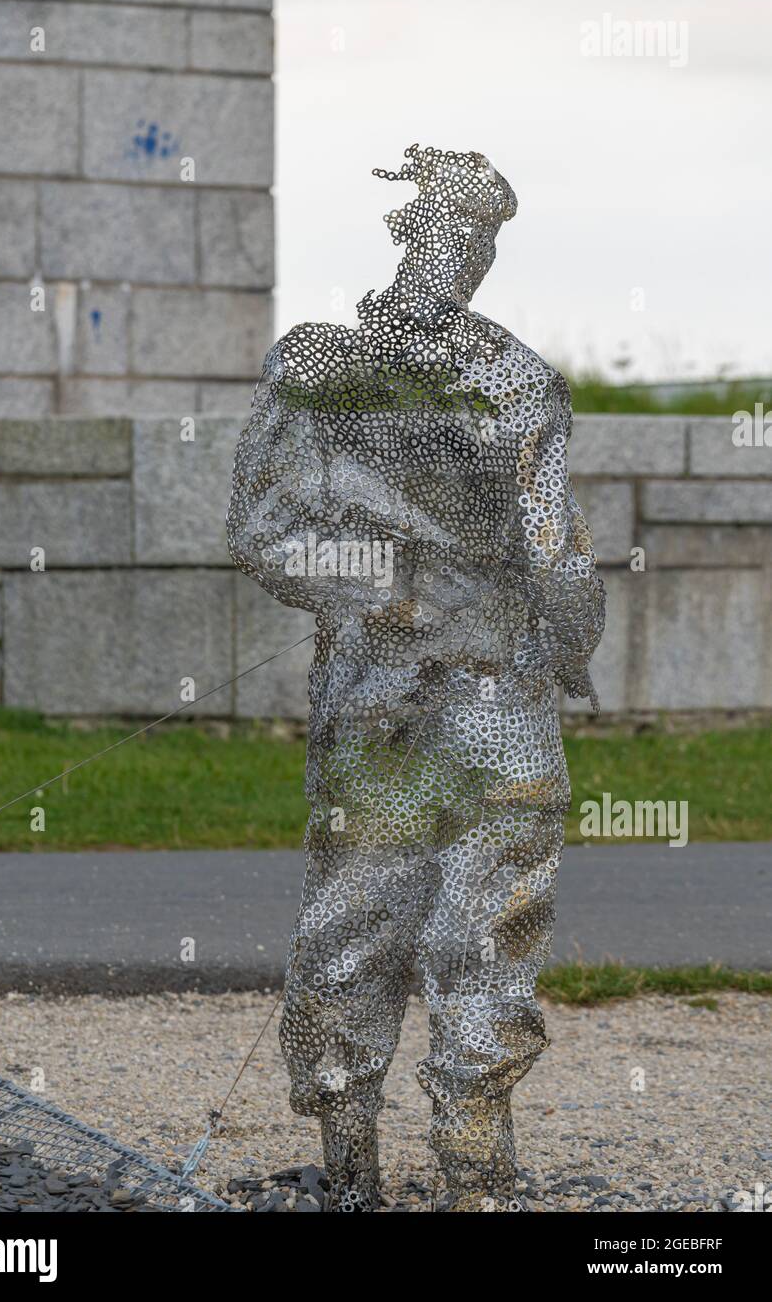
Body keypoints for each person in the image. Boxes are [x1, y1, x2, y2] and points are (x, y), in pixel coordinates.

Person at [227, 145, 605, 1212]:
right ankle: (462, 1182)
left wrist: (376, 593)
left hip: (396, 697)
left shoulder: (335, 368)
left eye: (480, 241)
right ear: (415, 235)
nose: (468, 258)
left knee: (369, 923)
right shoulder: (494, 378)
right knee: (470, 935)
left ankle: (375, 1179)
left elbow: (264, 532)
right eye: (460, 235)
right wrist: (566, 650)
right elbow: (560, 562)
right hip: (479, 696)